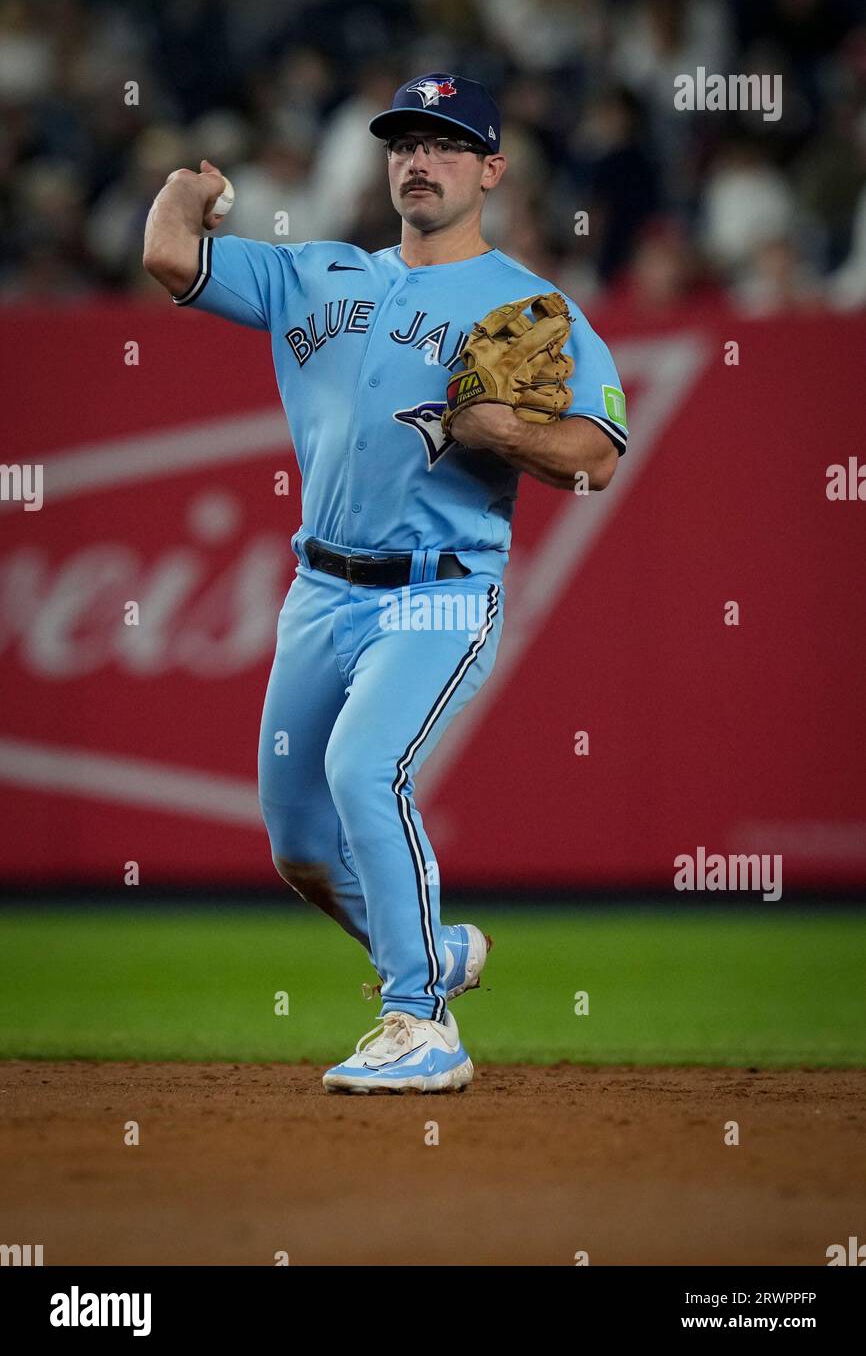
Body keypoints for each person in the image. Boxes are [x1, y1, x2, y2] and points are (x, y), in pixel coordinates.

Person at [142, 74, 626, 1094]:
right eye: (403, 142)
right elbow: (166, 255)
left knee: (365, 768)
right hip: (319, 591)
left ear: (489, 169)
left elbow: (596, 456)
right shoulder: (314, 275)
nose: (418, 159)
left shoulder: (528, 306)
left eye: (445, 144)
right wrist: (188, 187)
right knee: (299, 843)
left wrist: (509, 432)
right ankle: (436, 950)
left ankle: (421, 1018)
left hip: (441, 588)